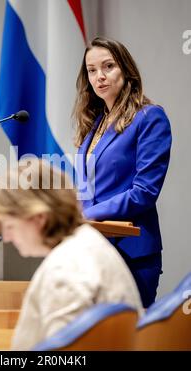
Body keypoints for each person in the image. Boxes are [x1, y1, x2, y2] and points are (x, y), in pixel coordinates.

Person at [0, 159, 143, 351]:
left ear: (39, 218)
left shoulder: (65, 270)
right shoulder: (88, 242)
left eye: (9, 225)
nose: (6, 237)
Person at [73, 36, 172, 308]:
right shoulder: (92, 125)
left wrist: (85, 215)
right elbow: (87, 190)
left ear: (126, 70)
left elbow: (144, 192)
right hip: (91, 251)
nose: (99, 76)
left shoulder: (149, 117)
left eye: (108, 66)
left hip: (130, 253)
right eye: (92, 70)